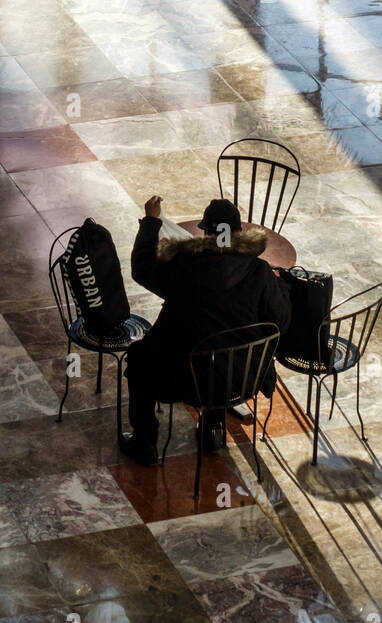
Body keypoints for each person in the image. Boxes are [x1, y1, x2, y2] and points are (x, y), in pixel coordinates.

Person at [121, 195, 292, 464]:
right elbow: (280, 322)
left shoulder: (185, 265)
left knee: (139, 357)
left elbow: (142, 269)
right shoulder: (260, 272)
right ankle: (212, 428)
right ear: (239, 233)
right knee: (222, 355)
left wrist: (151, 223)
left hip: (185, 379)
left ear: (206, 233)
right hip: (242, 378)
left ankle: (145, 442)